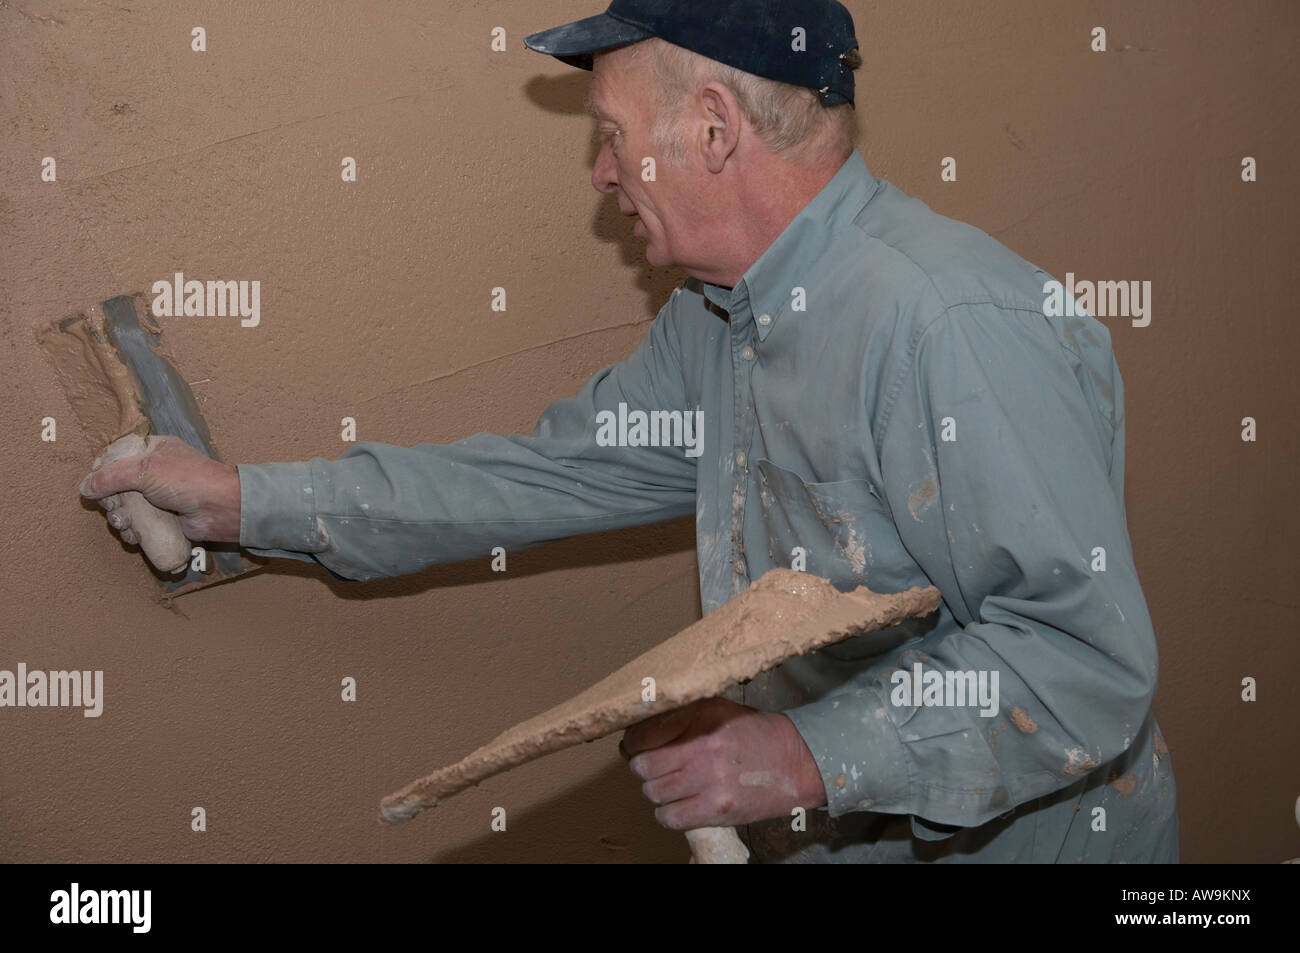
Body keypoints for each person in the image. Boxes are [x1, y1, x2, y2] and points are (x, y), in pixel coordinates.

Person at [78, 0, 1178, 863]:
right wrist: (247, 500)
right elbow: (545, 476)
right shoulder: (721, 317)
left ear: (712, 127)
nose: (602, 175)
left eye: (611, 137)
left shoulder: (948, 326)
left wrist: (801, 754)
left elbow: (1079, 659)